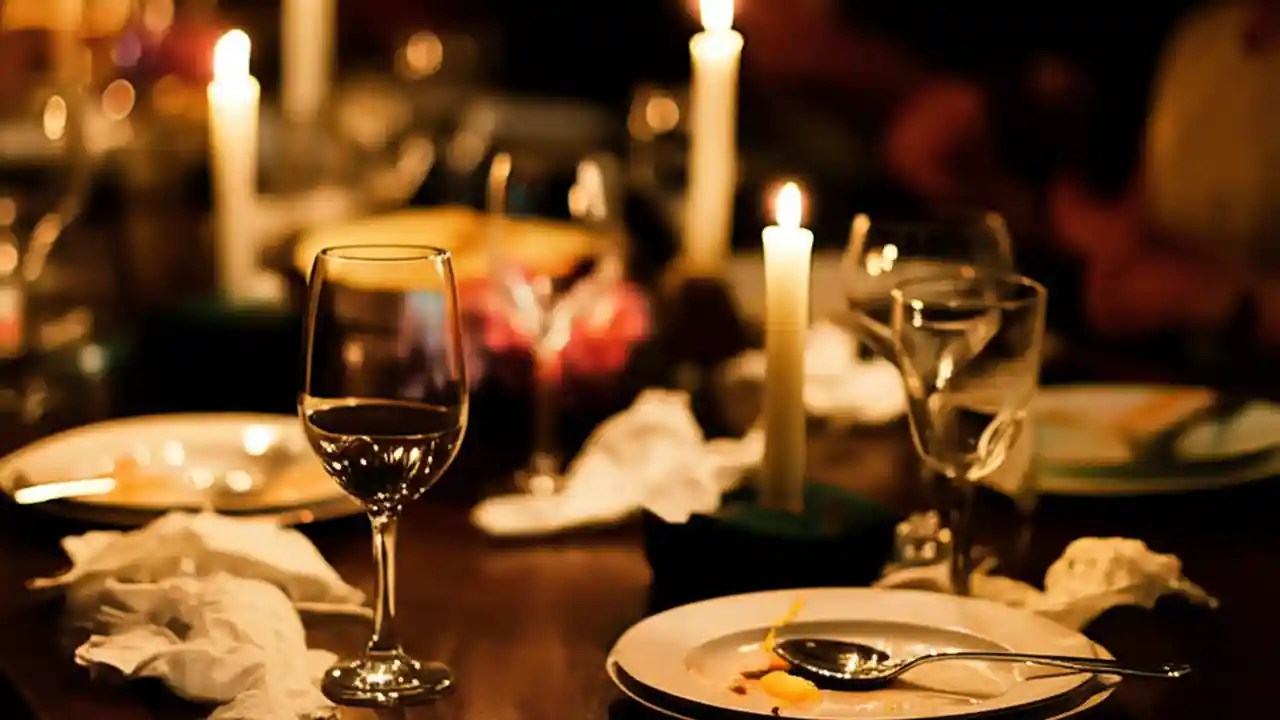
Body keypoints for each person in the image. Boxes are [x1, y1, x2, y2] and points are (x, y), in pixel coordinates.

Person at [738, 0, 1280, 349]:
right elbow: (1131, 247)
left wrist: (1231, 300)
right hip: (1172, 410)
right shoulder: (1210, 39)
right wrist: (1008, 203)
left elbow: (1185, 285)